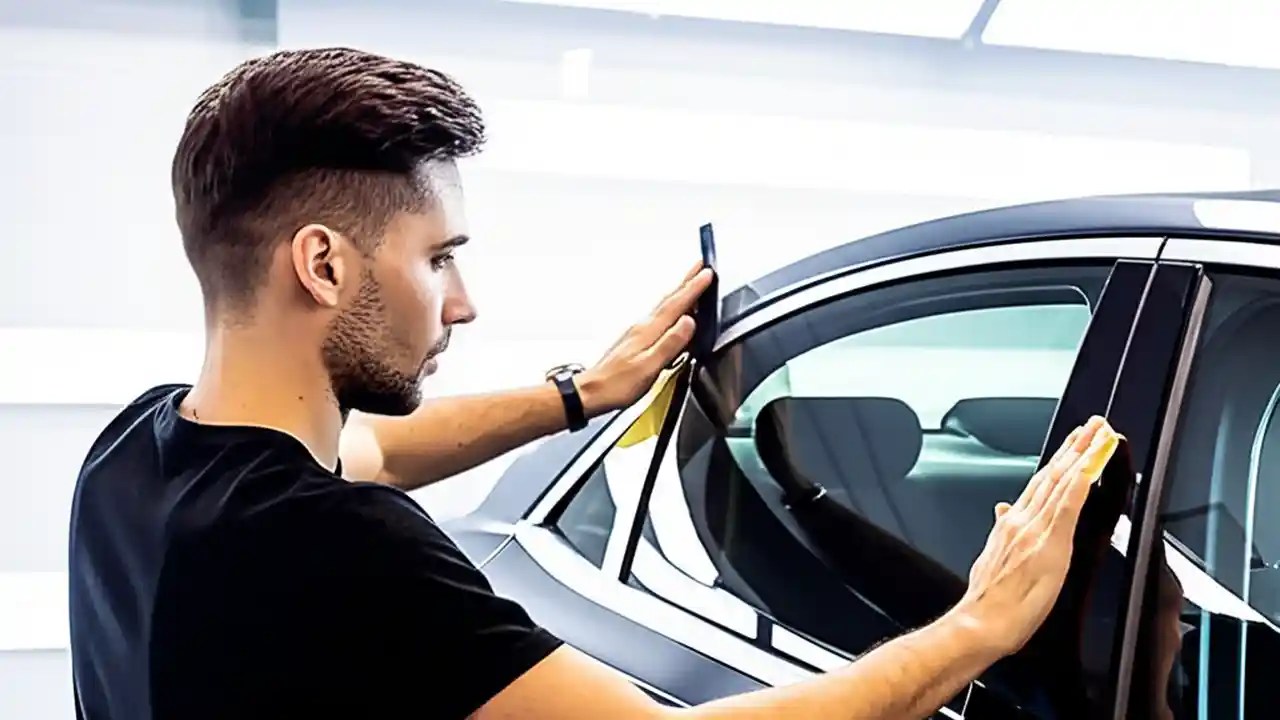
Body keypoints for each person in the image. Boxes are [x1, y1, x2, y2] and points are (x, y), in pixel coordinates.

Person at [66, 47, 1121, 720]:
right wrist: (976, 628)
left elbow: (372, 450)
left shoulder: (138, 452)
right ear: (323, 265)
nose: (462, 303)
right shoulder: (347, 553)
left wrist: (584, 394)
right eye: (438, 258)